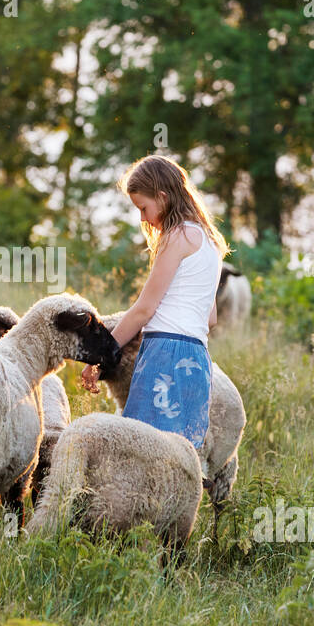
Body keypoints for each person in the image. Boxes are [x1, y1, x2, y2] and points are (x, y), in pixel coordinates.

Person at [80, 154, 228, 447]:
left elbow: (144, 310)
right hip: (197, 361)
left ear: (162, 196)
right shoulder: (211, 243)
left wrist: (99, 357)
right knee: (178, 457)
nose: (143, 218)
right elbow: (209, 319)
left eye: (143, 208)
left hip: (165, 356)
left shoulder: (176, 236)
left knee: (141, 451)